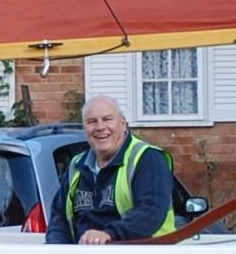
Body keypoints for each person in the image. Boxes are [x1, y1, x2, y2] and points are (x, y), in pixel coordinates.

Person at [46, 96, 178, 246]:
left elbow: (150, 212)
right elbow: (59, 219)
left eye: (107, 119)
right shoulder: (76, 165)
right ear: (84, 128)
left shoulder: (147, 159)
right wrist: (57, 252)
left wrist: (109, 235)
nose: (100, 127)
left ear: (123, 124)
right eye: (92, 121)